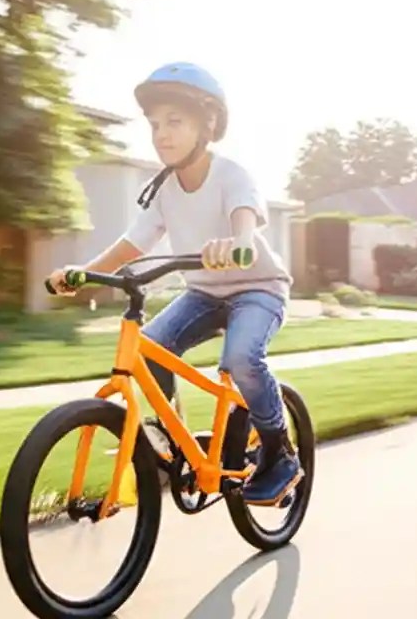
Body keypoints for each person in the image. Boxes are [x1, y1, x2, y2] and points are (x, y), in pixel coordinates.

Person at [46, 61, 301, 506]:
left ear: (209, 125)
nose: (162, 133)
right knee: (152, 348)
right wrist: (84, 274)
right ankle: (174, 440)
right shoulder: (162, 190)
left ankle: (279, 453)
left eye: (175, 122)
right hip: (204, 293)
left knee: (241, 357)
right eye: (155, 125)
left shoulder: (231, 174)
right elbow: (134, 242)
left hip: (257, 289)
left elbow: (246, 216)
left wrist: (238, 242)